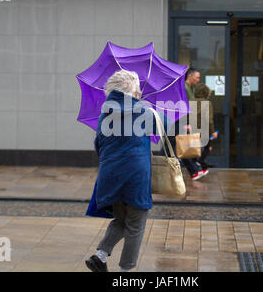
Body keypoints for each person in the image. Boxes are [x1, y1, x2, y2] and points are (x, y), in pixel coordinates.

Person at [85, 69, 167, 272]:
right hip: (135, 178)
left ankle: (100, 256)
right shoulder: (143, 111)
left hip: (110, 176)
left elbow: (98, 145)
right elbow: (163, 125)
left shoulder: (105, 113)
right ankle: (126, 271)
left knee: (121, 219)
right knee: (136, 223)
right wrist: (151, 107)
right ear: (134, 91)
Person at [181, 68, 208, 181]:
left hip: (186, 122)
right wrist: (185, 123)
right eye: (197, 77)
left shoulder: (190, 88)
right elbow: (183, 106)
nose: (198, 80)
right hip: (183, 122)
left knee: (182, 146)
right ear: (190, 76)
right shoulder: (185, 88)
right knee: (182, 146)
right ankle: (195, 170)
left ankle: (195, 170)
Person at [192, 83, 218, 170]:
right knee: (207, 147)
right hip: (204, 130)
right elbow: (209, 120)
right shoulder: (207, 103)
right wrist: (213, 131)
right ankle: (200, 161)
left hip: (192, 130)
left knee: (194, 148)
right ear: (206, 92)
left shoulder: (190, 101)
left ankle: (197, 163)